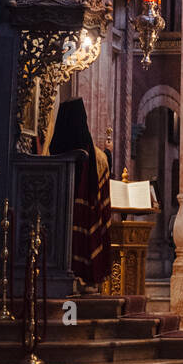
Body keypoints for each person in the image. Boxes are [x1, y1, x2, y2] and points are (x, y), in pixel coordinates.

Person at [49, 98, 112, 288]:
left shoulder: (56, 149)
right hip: (84, 216)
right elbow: (100, 166)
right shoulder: (92, 154)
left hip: (58, 215)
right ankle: (86, 279)